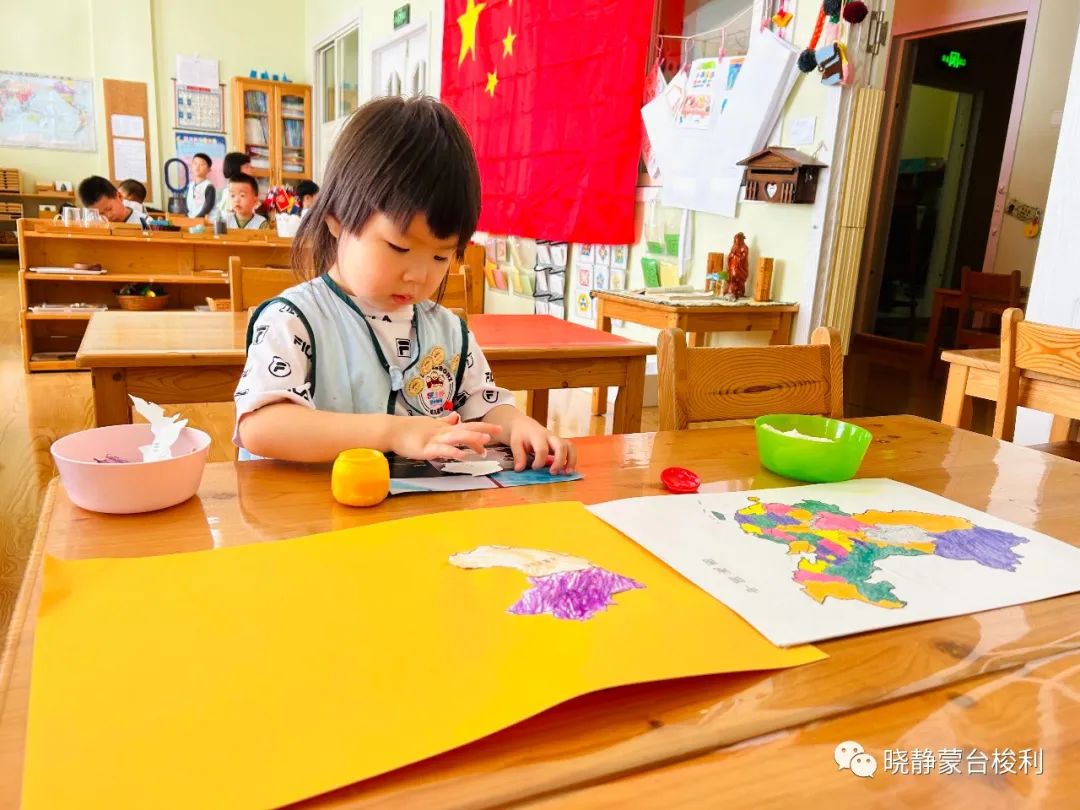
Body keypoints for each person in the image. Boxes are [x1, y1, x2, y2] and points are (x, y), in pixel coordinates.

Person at [234, 96, 576, 473]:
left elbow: (485, 402)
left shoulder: (446, 331)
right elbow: (261, 426)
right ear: (336, 219)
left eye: (440, 256)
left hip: (412, 518)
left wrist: (517, 425)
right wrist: (394, 432)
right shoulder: (295, 320)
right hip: (311, 518)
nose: (418, 275)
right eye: (398, 247)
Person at [77, 176, 145, 224]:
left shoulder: (145, 223)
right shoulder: (92, 223)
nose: (108, 216)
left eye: (109, 209)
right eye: (101, 213)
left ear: (119, 196)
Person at [185, 152, 216, 217]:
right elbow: (187, 206)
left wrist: (196, 220)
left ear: (209, 169)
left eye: (202, 164)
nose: (197, 167)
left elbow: (207, 208)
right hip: (190, 220)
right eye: (195, 163)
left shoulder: (209, 186)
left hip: (203, 222)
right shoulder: (190, 185)